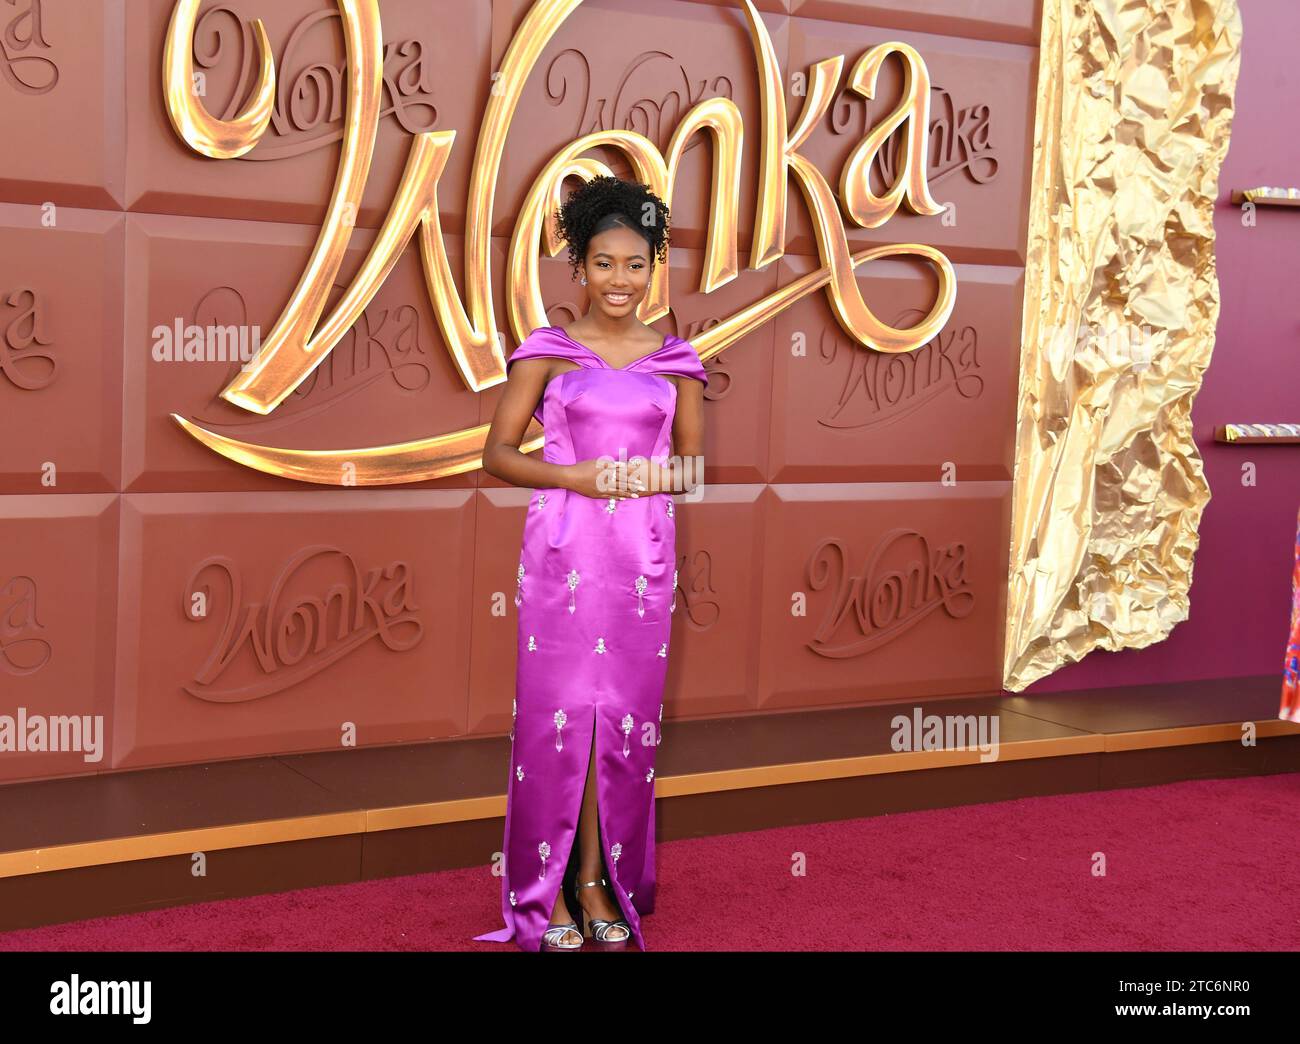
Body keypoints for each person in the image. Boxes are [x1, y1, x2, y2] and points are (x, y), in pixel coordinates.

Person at [473, 175, 707, 951]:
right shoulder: (547, 351)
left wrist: (647, 477)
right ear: (578, 266)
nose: (619, 280)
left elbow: (694, 469)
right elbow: (496, 455)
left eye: (635, 265)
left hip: (641, 558)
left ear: (654, 268)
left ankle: (602, 882)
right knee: (560, 722)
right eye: (603, 263)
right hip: (563, 553)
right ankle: (552, 893)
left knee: (624, 726)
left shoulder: (677, 358)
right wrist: (574, 476)